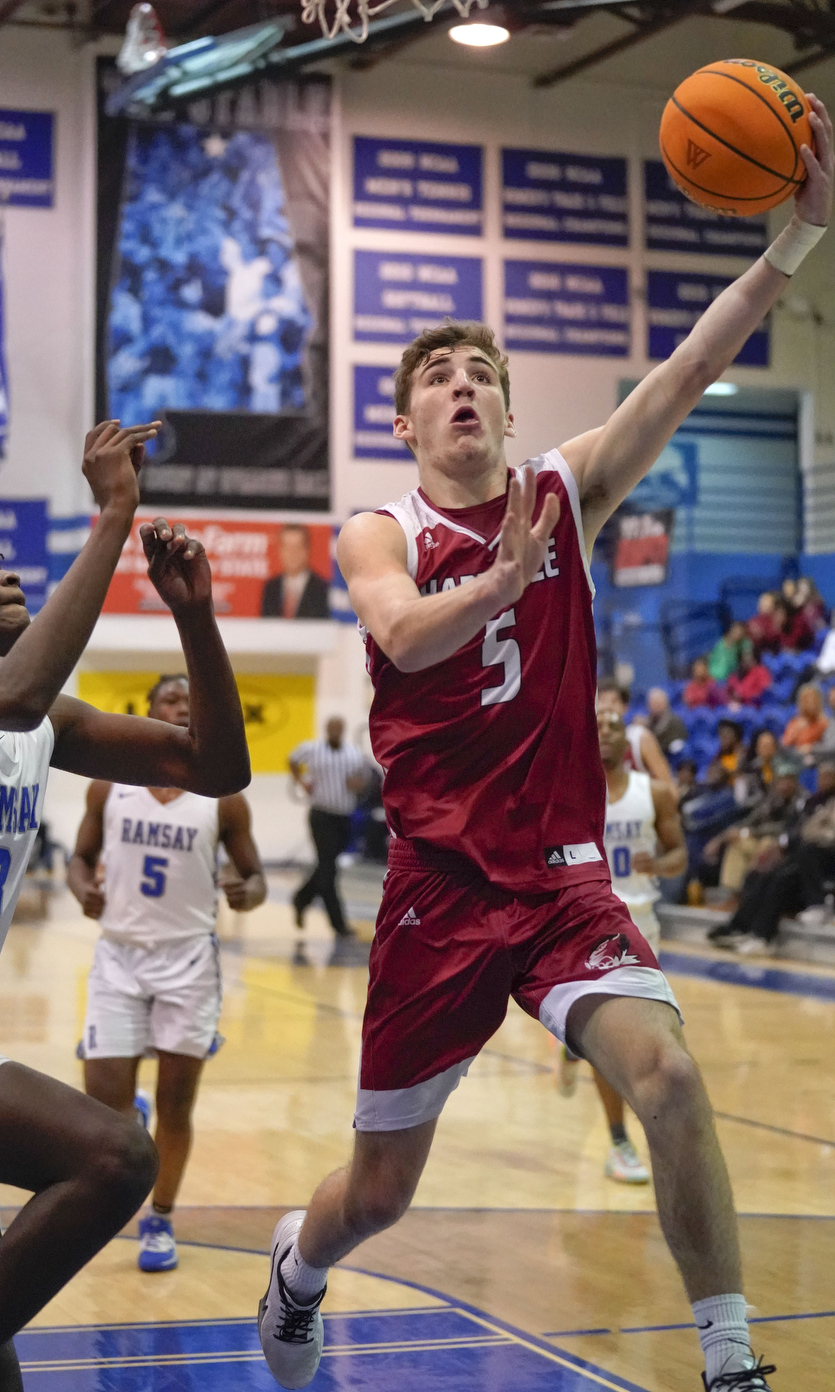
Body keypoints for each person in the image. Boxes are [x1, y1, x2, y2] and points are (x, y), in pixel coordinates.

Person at [257, 96, 830, 1392]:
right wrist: (498, 586)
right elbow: (400, 636)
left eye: (481, 379)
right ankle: (298, 1266)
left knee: (669, 1080)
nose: (461, 389)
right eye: (435, 381)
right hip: (440, 890)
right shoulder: (377, 528)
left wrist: (792, 241)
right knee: (381, 1191)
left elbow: (682, 368)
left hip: (565, 878)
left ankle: (729, 1362)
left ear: (508, 416)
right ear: (405, 424)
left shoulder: (563, 494)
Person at [0, 419, 250, 1392]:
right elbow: (13, 688)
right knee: (114, 1152)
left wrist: (195, 615)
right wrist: (114, 514)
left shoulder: (39, 724)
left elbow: (214, 764)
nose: (3, 572)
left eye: (1, 560)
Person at [67, 673, 266, 1275]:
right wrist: (82, 892)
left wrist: (245, 893)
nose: (182, 703)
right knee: (101, 1109)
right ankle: (132, 1121)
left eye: (189, 697)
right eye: (171, 697)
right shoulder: (109, 786)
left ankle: (160, 1217)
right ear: (149, 712)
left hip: (187, 961)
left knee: (178, 1104)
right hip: (120, 956)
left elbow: (256, 878)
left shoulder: (224, 795)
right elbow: (79, 858)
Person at [558, 710, 686, 1184]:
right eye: (597, 725)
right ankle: (618, 1141)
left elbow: (679, 856)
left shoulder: (652, 793)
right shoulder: (567, 791)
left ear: (627, 738)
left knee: (658, 1042)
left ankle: (569, 1044)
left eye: (614, 725)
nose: (606, 731)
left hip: (642, 926)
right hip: (589, 927)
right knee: (613, 1046)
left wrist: (663, 863)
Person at [710, 757, 835, 951]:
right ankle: (738, 926)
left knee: (780, 878)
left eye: (828, 776)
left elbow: (822, 835)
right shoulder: (812, 802)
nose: (823, 780)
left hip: (822, 858)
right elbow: (794, 830)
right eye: (821, 776)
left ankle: (762, 936)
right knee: (763, 874)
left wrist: (794, 840)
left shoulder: (815, 802)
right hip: (802, 855)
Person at [288, 719, 368, 937]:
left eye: (338, 727)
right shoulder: (312, 749)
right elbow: (292, 759)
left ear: (342, 729)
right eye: (331, 727)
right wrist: (301, 781)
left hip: (344, 818)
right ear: (326, 729)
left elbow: (364, 778)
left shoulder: (353, 753)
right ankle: (338, 923)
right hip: (321, 815)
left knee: (326, 867)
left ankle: (301, 898)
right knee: (328, 868)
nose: (334, 730)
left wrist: (358, 785)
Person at [703, 753, 807, 897]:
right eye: (781, 780)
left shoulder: (802, 801)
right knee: (737, 842)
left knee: (766, 844)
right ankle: (731, 894)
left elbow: (788, 828)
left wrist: (752, 832)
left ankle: (754, 895)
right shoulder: (771, 799)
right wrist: (722, 838)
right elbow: (749, 821)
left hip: (782, 845)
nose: (783, 785)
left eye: (788, 780)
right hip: (758, 837)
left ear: (795, 781)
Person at [596, 679, 673, 783]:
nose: (608, 706)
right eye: (602, 700)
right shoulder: (588, 742)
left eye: (614, 701)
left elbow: (669, 788)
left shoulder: (639, 738)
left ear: (625, 707)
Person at [261, 525, 330, 619]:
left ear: (307, 549)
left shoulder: (322, 589)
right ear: (280, 550)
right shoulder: (271, 588)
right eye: (287, 547)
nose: (292, 553)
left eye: (297, 547)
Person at [781, 682, 828, 760]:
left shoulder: (824, 723)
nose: (811, 702)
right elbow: (786, 743)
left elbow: (828, 746)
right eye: (807, 699)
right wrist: (798, 730)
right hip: (797, 760)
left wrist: (812, 748)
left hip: (817, 759)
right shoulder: (795, 723)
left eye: (813, 699)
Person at [645, 686, 687, 758]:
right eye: (652, 704)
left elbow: (675, 743)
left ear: (665, 704)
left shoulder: (675, 722)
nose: (654, 707)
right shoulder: (648, 722)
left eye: (658, 703)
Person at [715, 719, 745, 784]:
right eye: (721, 736)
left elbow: (740, 774)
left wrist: (726, 772)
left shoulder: (743, 755)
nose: (722, 740)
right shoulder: (719, 756)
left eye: (726, 736)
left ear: (735, 737)